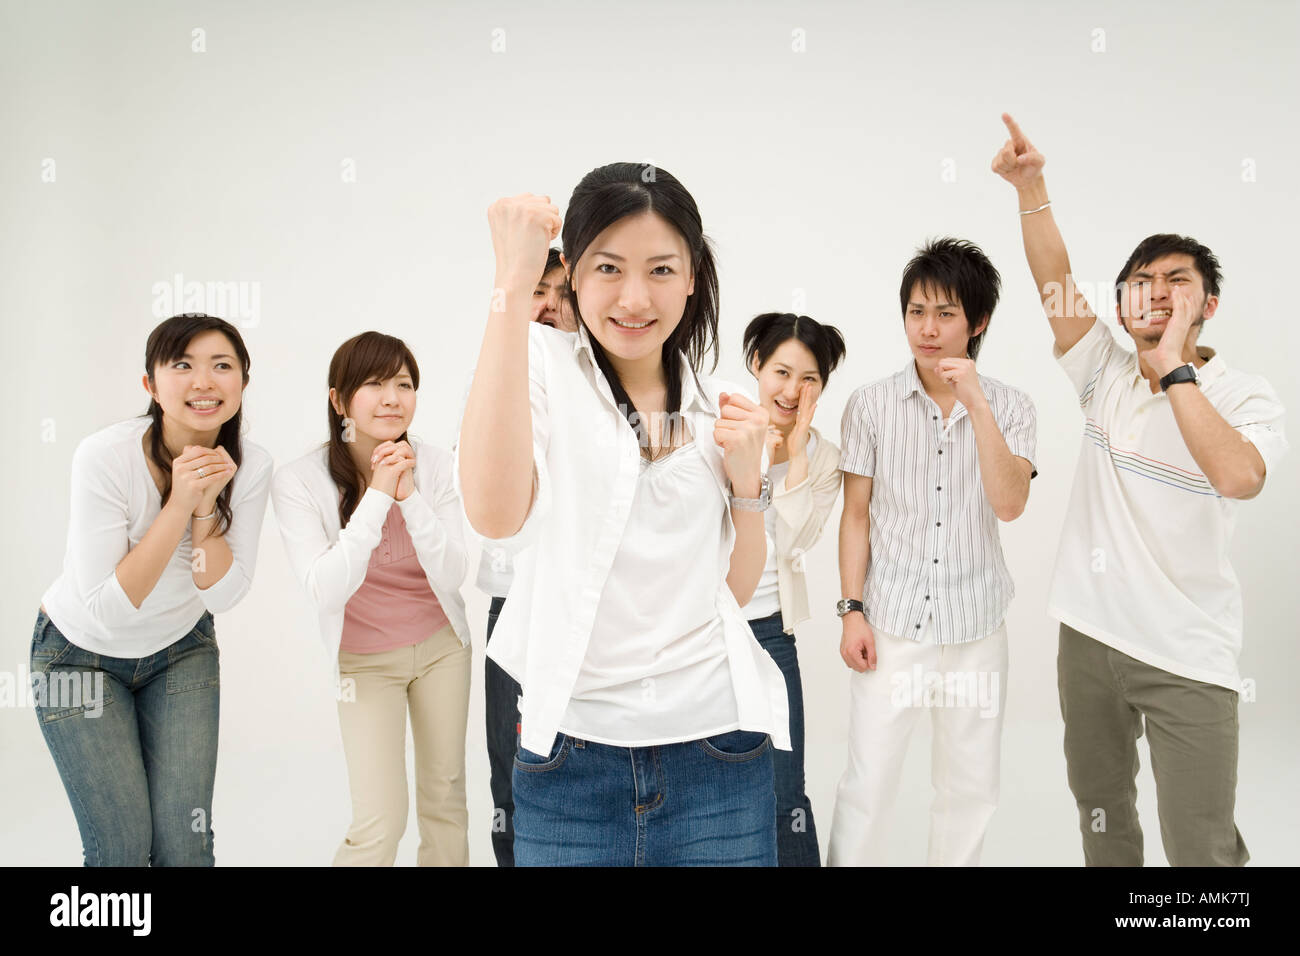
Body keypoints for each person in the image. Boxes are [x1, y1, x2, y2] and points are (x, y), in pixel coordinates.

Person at [457, 163, 791, 866]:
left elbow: (736, 592)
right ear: (573, 274)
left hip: (718, 752)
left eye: (661, 270)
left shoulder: (722, 406)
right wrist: (511, 286)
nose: (635, 298)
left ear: (693, 276)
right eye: (608, 268)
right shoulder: (540, 368)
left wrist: (747, 487)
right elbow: (493, 515)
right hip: (570, 763)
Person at [992, 113, 1288, 866]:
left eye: (1175, 284)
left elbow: (1238, 477)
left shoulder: (1244, 394)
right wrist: (1032, 187)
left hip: (1188, 653)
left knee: (1201, 848)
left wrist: (1174, 369)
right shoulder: (1103, 373)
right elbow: (1054, 282)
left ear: (1207, 305)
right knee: (1102, 814)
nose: (1154, 294)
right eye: (1140, 283)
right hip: (1089, 639)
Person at [32, 312, 273, 866]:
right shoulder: (104, 457)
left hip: (180, 651)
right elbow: (108, 611)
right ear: (151, 385)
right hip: (78, 657)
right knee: (120, 849)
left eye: (222, 366)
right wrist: (181, 502)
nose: (203, 381)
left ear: (243, 382)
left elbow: (223, 595)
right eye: (182, 365)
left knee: (185, 848)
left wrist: (208, 506)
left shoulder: (253, 465)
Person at [829, 238, 1037, 867]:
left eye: (945, 314)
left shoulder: (1012, 406)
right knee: (869, 783)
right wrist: (851, 610)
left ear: (978, 323)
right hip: (892, 625)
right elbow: (856, 515)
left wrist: (975, 402)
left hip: (977, 627)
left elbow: (1010, 504)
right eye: (916, 311)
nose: (927, 328)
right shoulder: (869, 404)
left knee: (970, 790)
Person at [271, 332, 472, 866]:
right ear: (339, 401)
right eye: (374, 384)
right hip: (363, 664)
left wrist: (409, 496)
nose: (392, 398)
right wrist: (379, 494)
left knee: (445, 799)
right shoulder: (298, 481)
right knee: (380, 819)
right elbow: (324, 586)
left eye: (404, 384)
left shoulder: (435, 464)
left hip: (442, 649)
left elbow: (454, 573)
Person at [472, 247, 576, 866]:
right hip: (514, 607)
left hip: (580, 603)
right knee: (510, 774)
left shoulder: (604, 380)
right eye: (538, 289)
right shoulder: (496, 373)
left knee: (586, 768)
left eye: (563, 292)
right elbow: (488, 519)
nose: (549, 305)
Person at [738, 311, 846, 867]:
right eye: (782, 372)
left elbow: (797, 541)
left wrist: (797, 452)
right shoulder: (725, 429)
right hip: (709, 630)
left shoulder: (825, 457)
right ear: (757, 365)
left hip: (772, 633)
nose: (792, 390)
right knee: (710, 792)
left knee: (785, 792)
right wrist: (762, 452)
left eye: (809, 380)